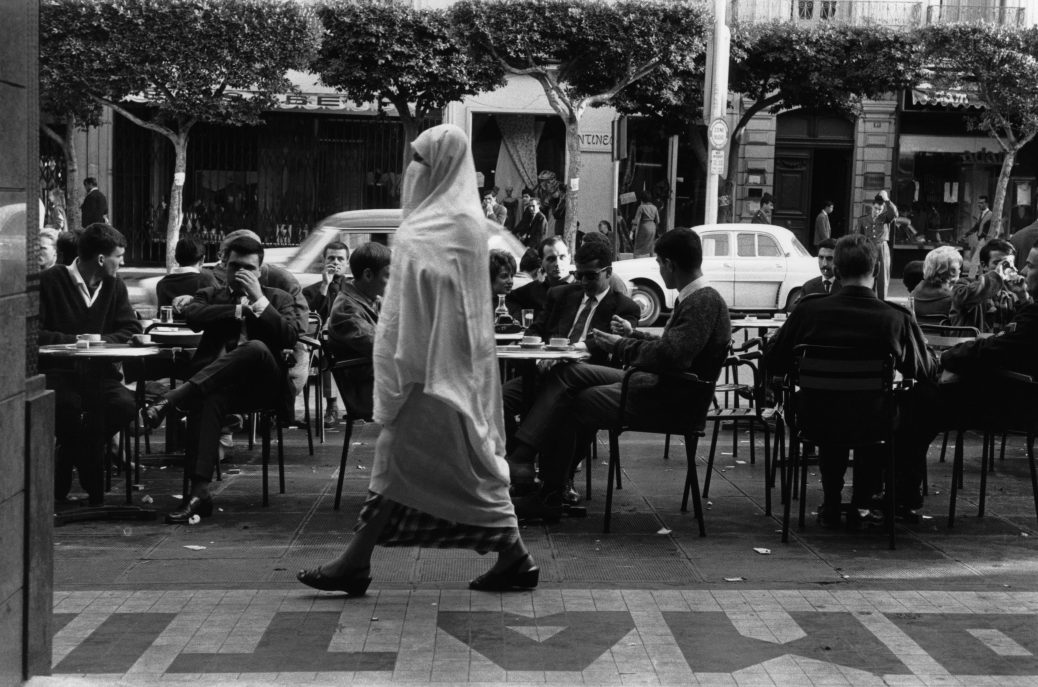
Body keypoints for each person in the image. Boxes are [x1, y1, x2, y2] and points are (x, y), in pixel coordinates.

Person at [297, 124, 539, 595]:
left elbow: (437, 308)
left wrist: (404, 367)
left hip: (433, 376)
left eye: (421, 160)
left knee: (447, 468)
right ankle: (511, 557)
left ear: (445, 165)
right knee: (435, 467)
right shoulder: (457, 225)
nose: (413, 169)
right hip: (438, 374)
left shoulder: (453, 226)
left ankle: (359, 563)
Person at [508, 228, 731, 520]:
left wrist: (621, 344)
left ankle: (543, 487)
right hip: (660, 386)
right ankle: (532, 469)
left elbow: (672, 356)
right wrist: (634, 334)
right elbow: (672, 348)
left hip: (666, 397)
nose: (659, 270)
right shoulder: (698, 297)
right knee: (569, 375)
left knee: (570, 396)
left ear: (669, 264)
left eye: (659, 264)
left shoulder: (702, 301)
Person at [764, 234, 936, 527]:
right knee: (876, 410)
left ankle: (832, 500)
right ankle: (862, 502)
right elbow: (925, 370)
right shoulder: (895, 318)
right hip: (874, 419)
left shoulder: (808, 310)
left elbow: (773, 360)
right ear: (877, 271)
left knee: (833, 407)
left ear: (838, 271)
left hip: (814, 417)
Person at [140, 236, 306, 524]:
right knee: (208, 397)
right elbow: (193, 315)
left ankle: (173, 400)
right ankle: (199, 494)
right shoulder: (211, 294)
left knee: (255, 347)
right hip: (219, 385)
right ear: (224, 267)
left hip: (262, 385)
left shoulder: (279, 298)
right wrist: (238, 310)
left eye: (248, 268)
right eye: (234, 267)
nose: (240, 273)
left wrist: (259, 301)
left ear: (260, 270)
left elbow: (290, 335)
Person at [501, 239, 640, 490]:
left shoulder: (623, 306)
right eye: (579, 275)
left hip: (586, 382)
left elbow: (609, 342)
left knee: (571, 408)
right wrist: (540, 351)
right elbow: (537, 328)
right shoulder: (561, 295)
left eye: (591, 276)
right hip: (546, 372)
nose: (584, 282)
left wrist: (571, 350)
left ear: (608, 273)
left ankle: (548, 475)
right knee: (497, 399)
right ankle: (520, 464)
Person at [39, 223, 142, 505]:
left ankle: (71, 455)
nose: (122, 262)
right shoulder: (50, 281)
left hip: (100, 375)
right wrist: (75, 341)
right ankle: (89, 465)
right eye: (118, 256)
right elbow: (35, 333)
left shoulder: (115, 286)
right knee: (67, 408)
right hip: (60, 374)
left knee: (123, 405)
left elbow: (130, 329)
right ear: (100, 259)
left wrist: (99, 340)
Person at [325, 242, 391, 422]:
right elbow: (381, 347)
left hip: (380, 378)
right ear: (368, 275)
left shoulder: (371, 298)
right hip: (367, 390)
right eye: (388, 276)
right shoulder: (346, 309)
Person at [950, 238, 1031, 333]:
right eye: (997, 263)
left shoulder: (1011, 294)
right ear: (984, 265)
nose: (1003, 268)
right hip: (971, 346)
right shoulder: (963, 284)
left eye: (1008, 264)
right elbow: (965, 297)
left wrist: (1023, 295)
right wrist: (996, 275)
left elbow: (1028, 324)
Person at [506, 236, 573, 317]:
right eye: (551, 259)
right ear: (541, 262)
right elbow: (507, 301)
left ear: (569, 258)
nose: (557, 263)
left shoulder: (581, 288)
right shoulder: (533, 290)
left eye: (562, 257)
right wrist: (524, 319)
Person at [156, 237, 218, 308]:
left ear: (176, 258)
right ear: (202, 259)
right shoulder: (207, 280)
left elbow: (162, 314)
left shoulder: (162, 284)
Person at [302, 241, 350, 323]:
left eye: (340, 259)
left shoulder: (355, 288)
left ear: (347, 262)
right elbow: (310, 317)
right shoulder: (309, 291)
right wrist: (325, 285)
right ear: (324, 260)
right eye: (331, 258)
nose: (335, 262)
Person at [910, 246, 962, 322]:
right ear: (952, 272)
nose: (959, 271)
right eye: (958, 268)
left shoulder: (913, 295)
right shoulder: (954, 300)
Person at [865, 191, 897, 300]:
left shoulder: (885, 219)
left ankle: (882, 301)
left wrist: (887, 200)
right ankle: (869, 298)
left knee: (882, 277)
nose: (877, 211)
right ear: (871, 207)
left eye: (880, 209)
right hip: (868, 247)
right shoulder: (864, 220)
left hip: (881, 247)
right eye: (875, 208)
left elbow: (894, 213)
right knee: (868, 274)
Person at [796, 238, 840, 305]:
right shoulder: (808, 287)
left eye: (829, 258)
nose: (824, 264)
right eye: (821, 257)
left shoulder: (846, 286)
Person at [631, 190, 661, 258]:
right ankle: (651, 257)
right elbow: (658, 221)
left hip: (644, 226)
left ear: (642, 199)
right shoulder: (654, 207)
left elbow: (636, 221)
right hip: (652, 227)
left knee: (638, 245)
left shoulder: (641, 207)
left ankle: (635, 260)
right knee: (651, 244)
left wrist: (632, 231)